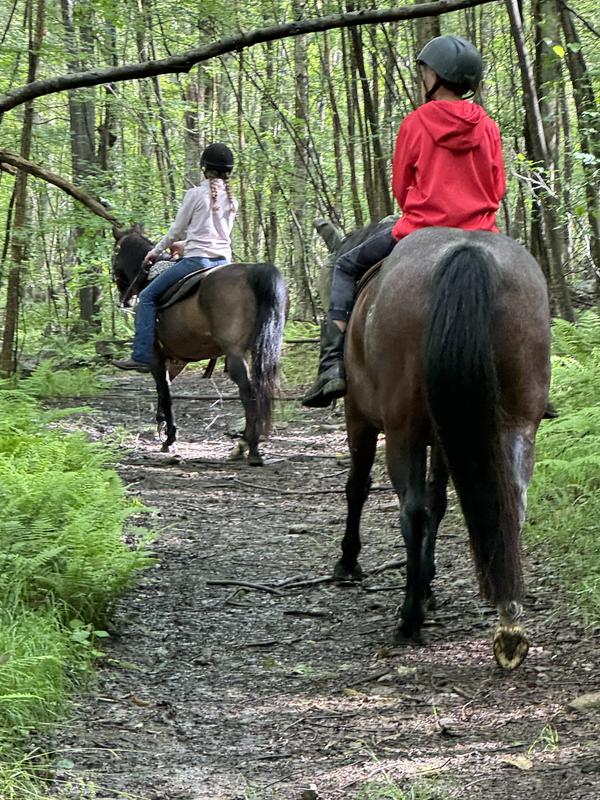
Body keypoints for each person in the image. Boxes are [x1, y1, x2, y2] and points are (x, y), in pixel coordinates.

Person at [302, 35, 504, 408]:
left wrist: (424, 204)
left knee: (344, 265)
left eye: (426, 71)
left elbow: (400, 186)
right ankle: (531, 389)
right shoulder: (488, 127)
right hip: (481, 234)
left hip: (421, 229)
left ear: (439, 76)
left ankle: (331, 367)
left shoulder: (416, 123)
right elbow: (496, 187)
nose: (423, 76)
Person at [112, 142, 238, 373]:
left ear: (204, 167)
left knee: (147, 297)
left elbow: (176, 231)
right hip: (223, 262)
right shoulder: (232, 200)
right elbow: (215, 235)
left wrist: (155, 251)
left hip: (196, 262)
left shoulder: (196, 194)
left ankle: (141, 355)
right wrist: (186, 243)